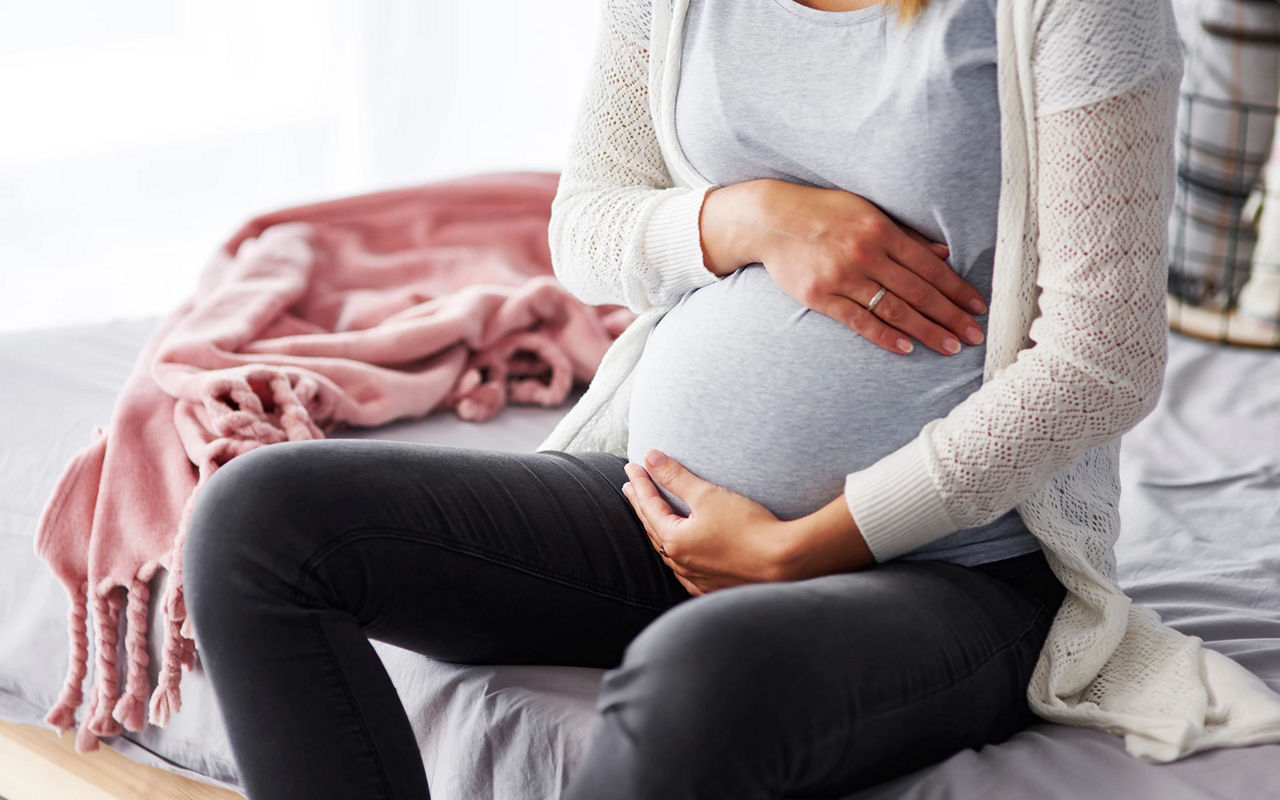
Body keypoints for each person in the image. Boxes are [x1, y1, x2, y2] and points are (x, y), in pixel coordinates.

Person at [182, 0, 1200, 798]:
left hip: (949, 568)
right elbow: (584, 223)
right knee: (256, 521)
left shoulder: (1075, 6)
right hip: (659, 513)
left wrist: (804, 546)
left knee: (695, 679)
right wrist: (744, 218)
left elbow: (1100, 358)